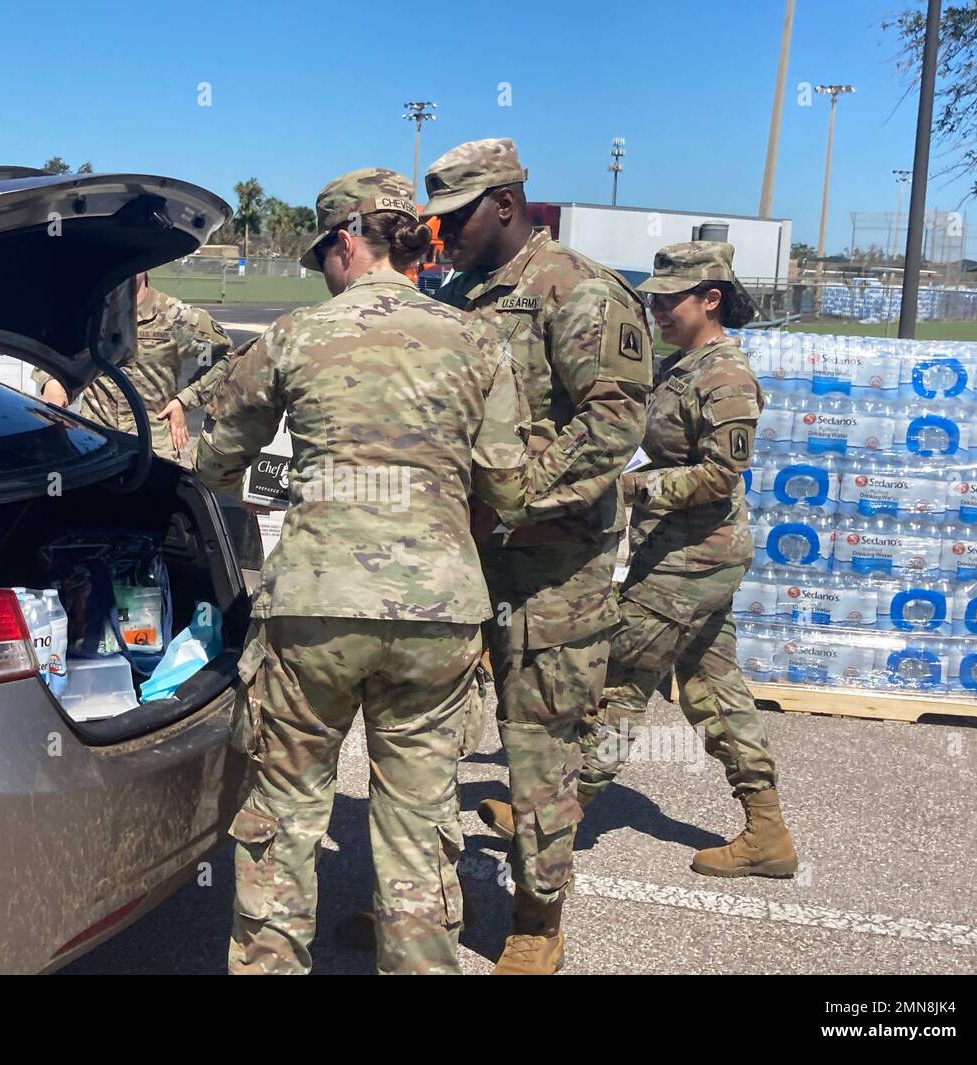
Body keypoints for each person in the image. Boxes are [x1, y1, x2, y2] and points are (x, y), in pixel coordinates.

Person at [194, 168, 531, 975]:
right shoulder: (479, 340)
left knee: (283, 820)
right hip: (440, 615)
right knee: (419, 832)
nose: (323, 271)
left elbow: (216, 458)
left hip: (314, 608)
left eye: (322, 255)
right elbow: (511, 488)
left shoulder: (296, 335)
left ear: (347, 240)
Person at [421, 138, 650, 974]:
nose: (443, 233)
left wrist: (508, 500)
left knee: (538, 744)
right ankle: (426, 902)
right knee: (431, 733)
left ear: (506, 205)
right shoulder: (458, 296)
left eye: (457, 217)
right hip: (463, 557)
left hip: (551, 569)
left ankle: (537, 918)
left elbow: (612, 426)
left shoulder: (579, 291)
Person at [579, 241, 799, 878]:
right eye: (655, 299)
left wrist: (628, 488)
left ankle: (559, 811)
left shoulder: (725, 376)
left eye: (671, 299)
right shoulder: (680, 366)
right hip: (677, 550)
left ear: (711, 300)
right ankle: (767, 834)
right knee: (714, 688)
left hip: (696, 557)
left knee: (620, 674)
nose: (658, 310)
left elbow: (720, 475)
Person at [38, 271, 231, 462]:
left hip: (153, 443)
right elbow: (52, 350)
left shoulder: (175, 317)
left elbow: (220, 356)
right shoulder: (90, 315)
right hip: (95, 440)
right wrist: (53, 381)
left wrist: (185, 400)